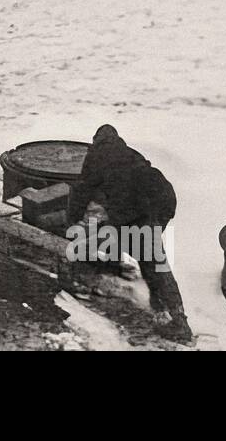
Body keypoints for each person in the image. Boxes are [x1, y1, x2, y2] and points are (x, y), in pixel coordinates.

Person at [65, 124, 191, 340]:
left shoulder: (95, 156)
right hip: (164, 199)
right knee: (151, 253)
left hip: (138, 208)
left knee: (144, 251)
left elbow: (82, 190)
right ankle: (166, 308)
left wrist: (71, 221)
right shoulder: (130, 152)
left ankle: (177, 323)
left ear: (96, 141)